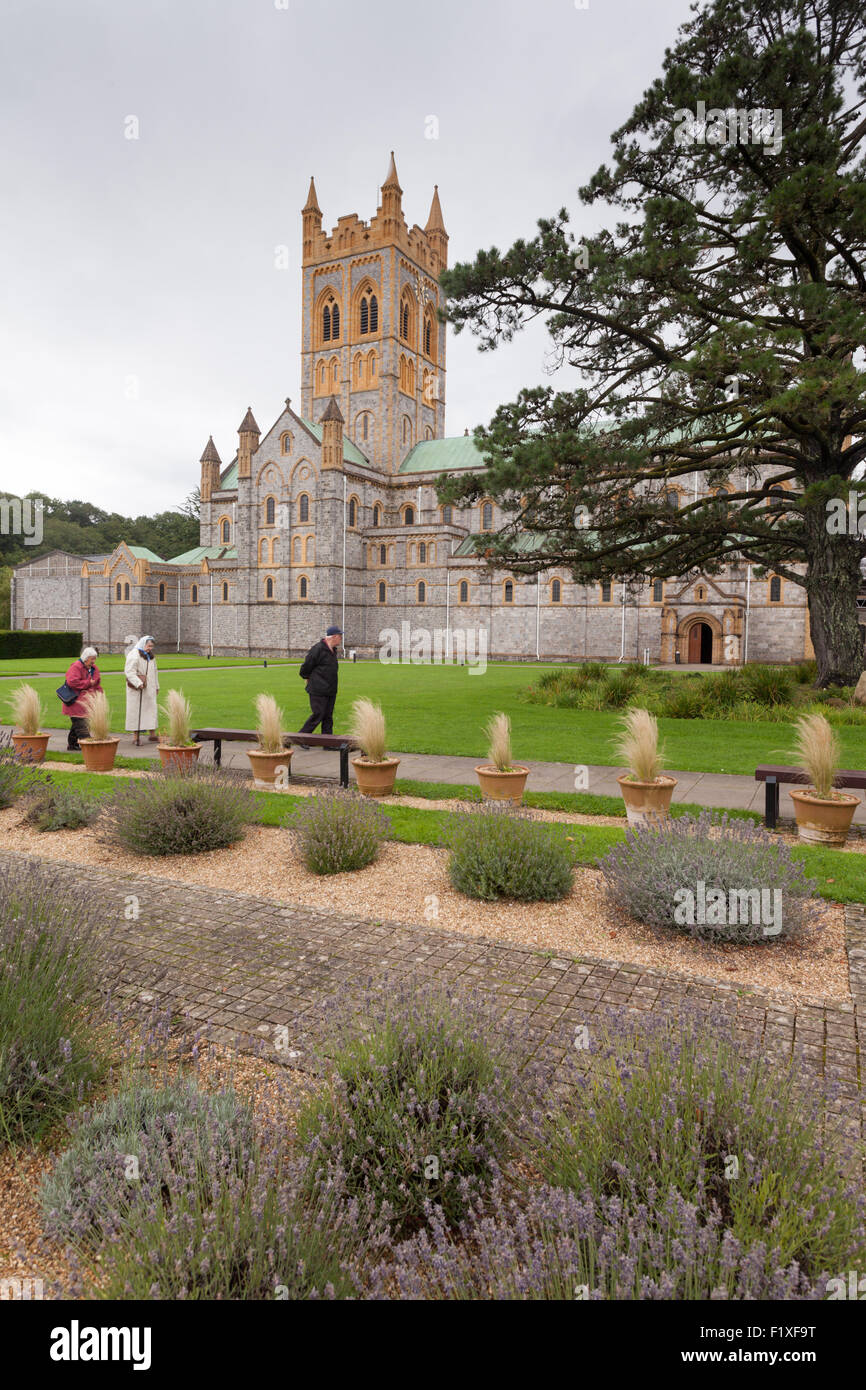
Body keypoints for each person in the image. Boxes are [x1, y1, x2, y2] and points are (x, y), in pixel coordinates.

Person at [298, 626, 342, 734]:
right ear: (334, 637)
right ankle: (300, 738)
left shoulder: (333, 650)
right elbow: (306, 667)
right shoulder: (318, 649)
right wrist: (307, 677)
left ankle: (327, 740)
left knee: (328, 717)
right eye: (340, 636)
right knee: (318, 714)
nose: (341, 639)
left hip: (331, 690)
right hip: (318, 689)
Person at [59, 645, 102, 750]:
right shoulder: (76, 666)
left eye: (95, 659)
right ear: (85, 658)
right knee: (81, 724)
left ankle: (72, 745)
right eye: (92, 659)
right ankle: (89, 747)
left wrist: (99, 693)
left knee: (77, 724)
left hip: (87, 702)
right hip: (75, 702)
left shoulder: (94, 668)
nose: (94, 662)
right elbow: (72, 682)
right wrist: (88, 683)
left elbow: (97, 682)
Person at [125, 635, 160, 745]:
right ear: (143, 644)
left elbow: (155, 671)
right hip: (137, 690)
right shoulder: (134, 654)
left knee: (151, 710)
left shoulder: (151, 656)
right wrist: (138, 683)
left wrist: (157, 686)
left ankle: (152, 735)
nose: (150, 648)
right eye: (149, 646)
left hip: (150, 689)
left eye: (152, 646)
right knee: (137, 712)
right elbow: (129, 672)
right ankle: (136, 737)